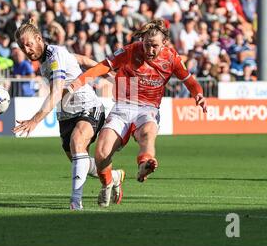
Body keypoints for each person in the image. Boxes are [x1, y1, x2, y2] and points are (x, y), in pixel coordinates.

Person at [64, 19, 208, 207]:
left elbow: (189, 80)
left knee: (148, 134)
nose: (150, 50)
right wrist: (80, 81)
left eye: (154, 46)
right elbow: (104, 66)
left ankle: (145, 164)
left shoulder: (172, 58)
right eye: (147, 45)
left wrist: (198, 94)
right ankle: (109, 182)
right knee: (100, 154)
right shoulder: (132, 50)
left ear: (164, 43)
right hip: (123, 105)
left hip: (148, 109)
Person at [12, 19, 125, 210]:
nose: (27, 49)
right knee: (78, 159)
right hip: (66, 115)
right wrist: (107, 74)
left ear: (39, 38)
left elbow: (56, 91)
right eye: (23, 47)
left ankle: (75, 202)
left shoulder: (54, 55)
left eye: (29, 44)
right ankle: (113, 176)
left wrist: (35, 120)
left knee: (77, 143)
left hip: (88, 107)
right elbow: (79, 60)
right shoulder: (48, 59)